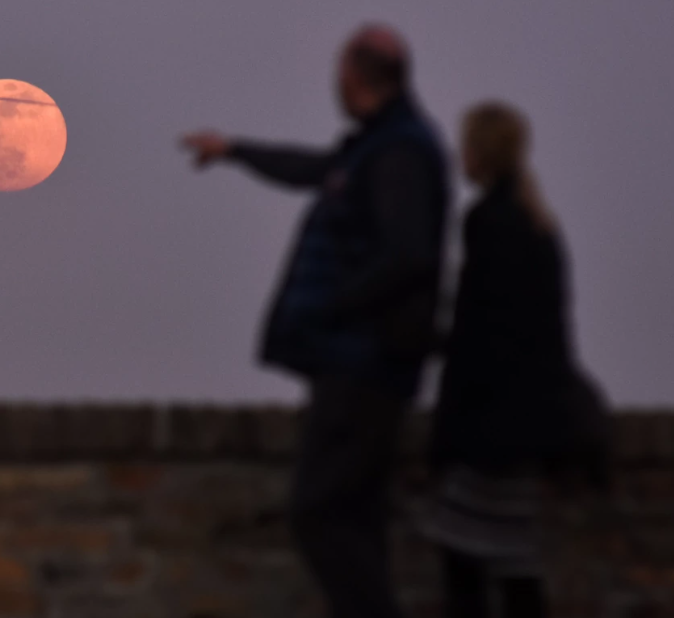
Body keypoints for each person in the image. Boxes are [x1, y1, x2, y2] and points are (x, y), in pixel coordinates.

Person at [181, 24, 449, 618]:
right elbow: (312, 169)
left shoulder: (400, 150)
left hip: (364, 367)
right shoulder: (377, 146)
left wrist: (336, 308)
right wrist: (235, 150)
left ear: (353, 79)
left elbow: (409, 255)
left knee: (319, 513)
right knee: (355, 514)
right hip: (355, 364)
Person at [419, 102, 610, 618]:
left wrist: (446, 433)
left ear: (479, 152)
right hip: (531, 425)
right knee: (514, 558)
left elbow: (478, 336)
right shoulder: (540, 226)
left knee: (465, 556)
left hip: (491, 429)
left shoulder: (487, 223)